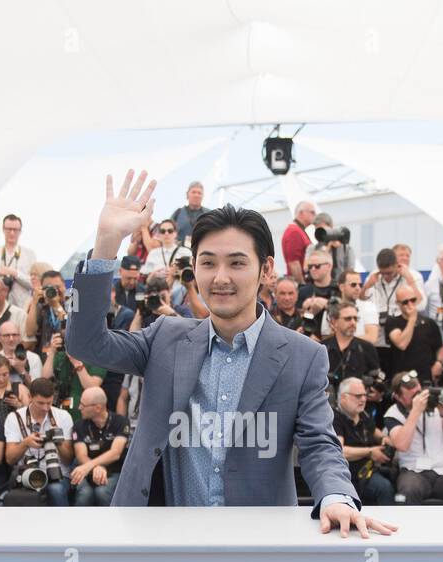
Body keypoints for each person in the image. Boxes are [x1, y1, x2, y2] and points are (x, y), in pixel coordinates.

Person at [66, 171, 389, 536]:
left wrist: (336, 497)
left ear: (266, 269)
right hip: (162, 540)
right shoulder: (165, 337)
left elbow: (318, 444)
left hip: (256, 546)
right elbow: (86, 344)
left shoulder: (303, 356)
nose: (220, 278)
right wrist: (107, 244)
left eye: (236, 263)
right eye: (207, 263)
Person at [383, 370, 443, 505]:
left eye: (416, 385)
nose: (416, 390)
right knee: (407, 490)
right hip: (412, 471)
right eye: (409, 388)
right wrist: (415, 411)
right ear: (397, 396)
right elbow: (402, 445)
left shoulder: (436, 403)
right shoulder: (393, 413)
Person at [3, 378, 74, 506]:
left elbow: (68, 460)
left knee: (56, 490)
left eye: (49, 402)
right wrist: (25, 443)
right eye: (40, 403)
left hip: (58, 474)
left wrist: (58, 442)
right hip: (28, 474)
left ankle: (64, 524)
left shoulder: (63, 416)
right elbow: (10, 459)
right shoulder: (15, 418)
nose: (46, 408)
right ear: (30, 397)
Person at [333, 377, 394, 506]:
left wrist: (385, 440)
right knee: (384, 488)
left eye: (364, 395)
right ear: (343, 397)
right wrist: (370, 452)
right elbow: (340, 451)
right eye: (358, 396)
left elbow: (377, 434)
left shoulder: (362, 414)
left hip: (369, 469)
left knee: (395, 475)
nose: (363, 399)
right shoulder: (335, 418)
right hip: (348, 476)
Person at [71, 386, 129, 506]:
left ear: (98, 408)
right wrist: (96, 468)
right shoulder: (79, 425)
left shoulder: (120, 422)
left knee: (102, 492)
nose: (79, 407)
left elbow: (116, 453)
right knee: (84, 495)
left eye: (83, 404)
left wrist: (91, 465)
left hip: (114, 471)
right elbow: (81, 455)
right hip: (87, 472)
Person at [385, 286, 443, 386]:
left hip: (425, 377)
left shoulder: (429, 323)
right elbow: (402, 344)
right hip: (403, 378)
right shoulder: (393, 322)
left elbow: (440, 347)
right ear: (398, 304)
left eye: (413, 300)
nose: (410, 304)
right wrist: (412, 318)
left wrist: (439, 363)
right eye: (405, 302)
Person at [325, 300, 380, 394]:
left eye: (355, 318)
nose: (353, 322)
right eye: (348, 319)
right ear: (334, 322)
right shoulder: (322, 347)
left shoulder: (367, 347)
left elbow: (376, 379)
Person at [0, 214, 37, 311]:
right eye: (9, 229)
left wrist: (15, 273)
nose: (12, 233)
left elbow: (33, 284)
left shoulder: (29, 254)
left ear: (20, 231)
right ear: (3, 229)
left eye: (15, 230)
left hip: (23, 307)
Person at [0, 318, 40, 390]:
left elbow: (37, 390)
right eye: (6, 335)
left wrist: (21, 370)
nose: (11, 339)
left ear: (20, 337)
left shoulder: (34, 358)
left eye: (14, 335)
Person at [24, 270, 68, 351]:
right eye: (48, 288)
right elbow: (30, 332)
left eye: (57, 287)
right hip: (45, 355)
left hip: (67, 355)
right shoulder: (41, 306)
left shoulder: (72, 304)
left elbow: (69, 332)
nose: (54, 291)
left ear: (64, 286)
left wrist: (56, 306)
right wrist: (34, 302)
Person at [282, 201, 315, 279]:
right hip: (298, 283)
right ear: (301, 213)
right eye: (312, 212)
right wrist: (302, 285)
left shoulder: (298, 230)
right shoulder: (294, 231)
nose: (315, 215)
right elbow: (293, 263)